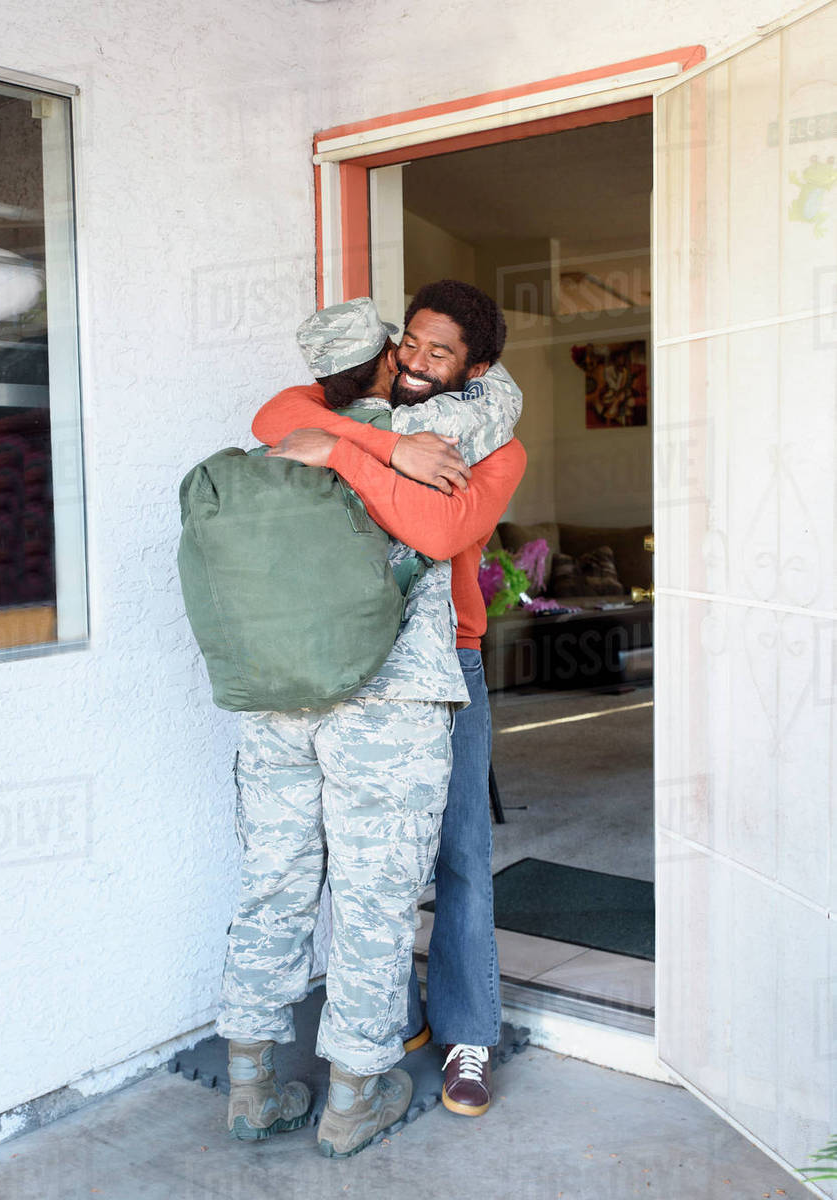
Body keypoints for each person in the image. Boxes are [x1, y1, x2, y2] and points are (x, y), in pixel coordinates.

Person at [217, 296, 522, 1158]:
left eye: (441, 351)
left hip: (358, 675)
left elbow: (435, 523)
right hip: (367, 688)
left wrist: (343, 455)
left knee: (428, 861)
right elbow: (277, 412)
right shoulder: (352, 413)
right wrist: (381, 444)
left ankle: (450, 1036)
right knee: (366, 887)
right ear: (390, 348)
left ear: (477, 369)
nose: (420, 359)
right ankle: (348, 1093)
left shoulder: (487, 434)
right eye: (410, 343)